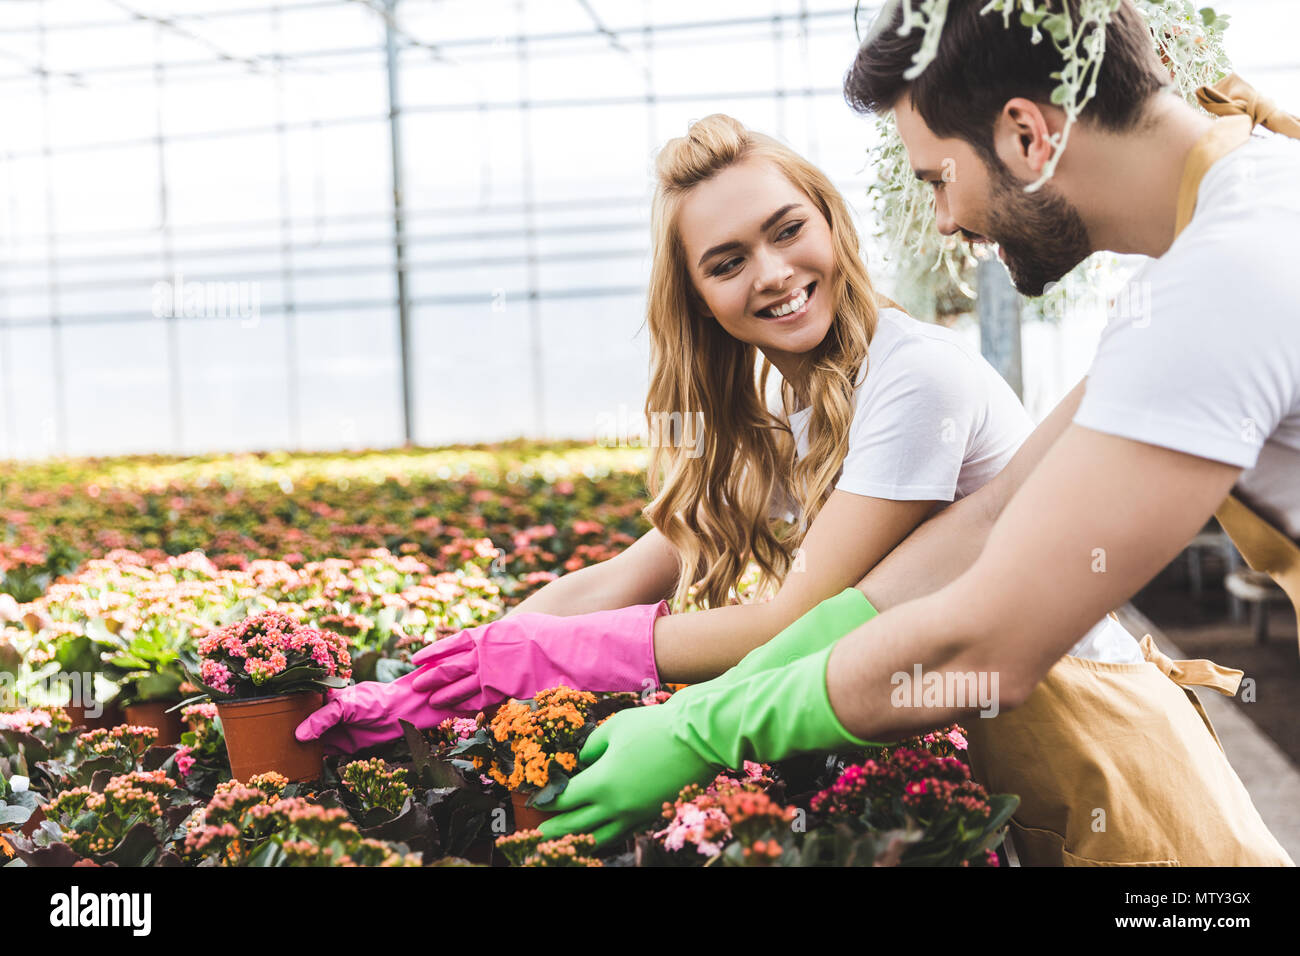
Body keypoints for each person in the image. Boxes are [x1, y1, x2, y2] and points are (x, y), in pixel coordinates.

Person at [536, 0, 1298, 865]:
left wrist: (710, 729)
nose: (940, 219)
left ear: (1023, 135)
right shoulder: (1243, 215)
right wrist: (691, 695)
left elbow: (987, 642)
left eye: (936, 177)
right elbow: (987, 520)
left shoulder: (1222, 277)